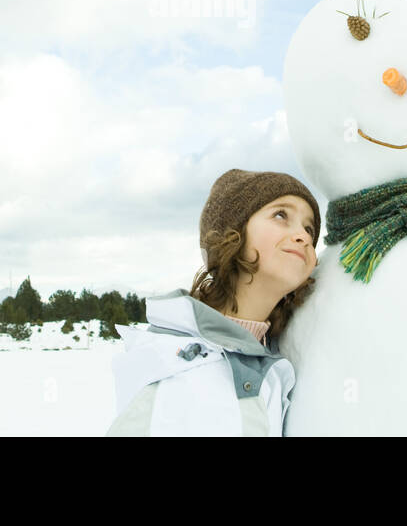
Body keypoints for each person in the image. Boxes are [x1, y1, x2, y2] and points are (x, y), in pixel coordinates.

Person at [106, 168, 320, 436]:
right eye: (281, 215)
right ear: (233, 235)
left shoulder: (274, 365)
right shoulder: (175, 367)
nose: (303, 236)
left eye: (309, 228)